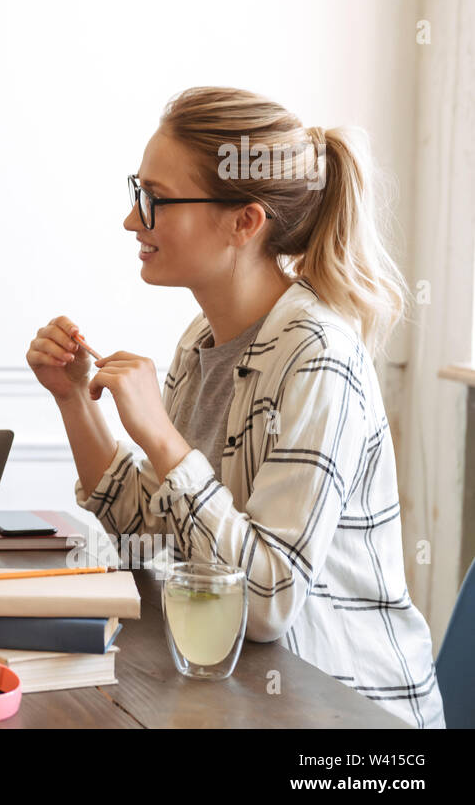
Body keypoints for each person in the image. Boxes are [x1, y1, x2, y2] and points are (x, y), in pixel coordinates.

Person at [26, 87, 444, 728]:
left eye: (154, 200)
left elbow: (268, 598)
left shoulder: (318, 356)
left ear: (244, 221)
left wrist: (164, 441)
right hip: (239, 695)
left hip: (347, 719)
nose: (131, 221)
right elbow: (161, 542)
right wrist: (74, 403)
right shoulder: (203, 340)